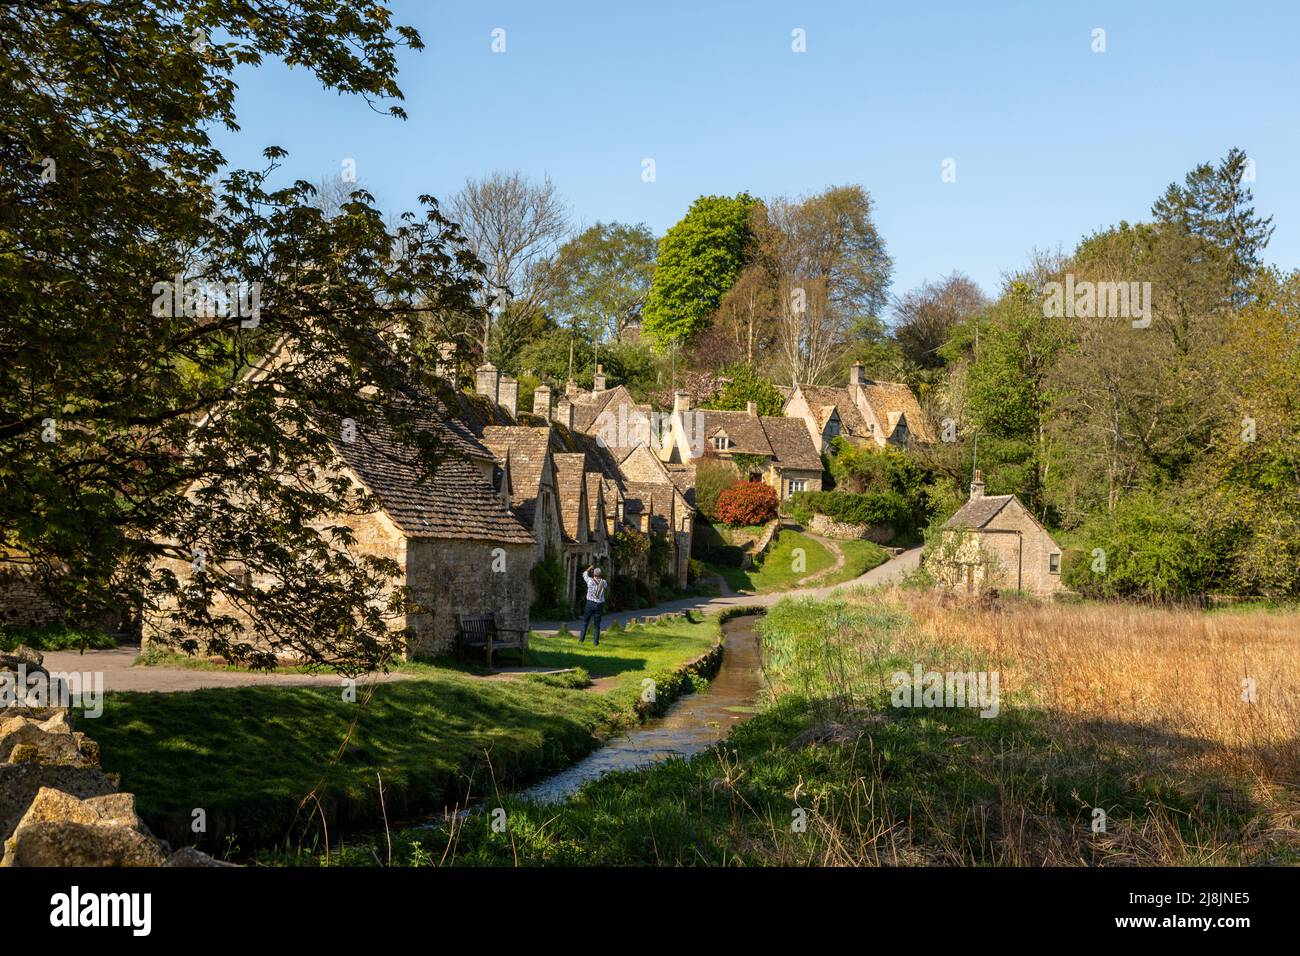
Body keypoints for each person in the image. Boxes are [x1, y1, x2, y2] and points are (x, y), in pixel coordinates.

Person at [578, 564, 609, 645]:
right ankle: (595, 643)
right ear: (600, 574)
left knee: (585, 622)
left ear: (593, 574)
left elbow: (584, 574)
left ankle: (581, 640)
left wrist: (589, 569)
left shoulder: (590, 581)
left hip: (590, 604)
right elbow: (605, 585)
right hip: (599, 605)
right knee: (597, 625)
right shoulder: (604, 582)